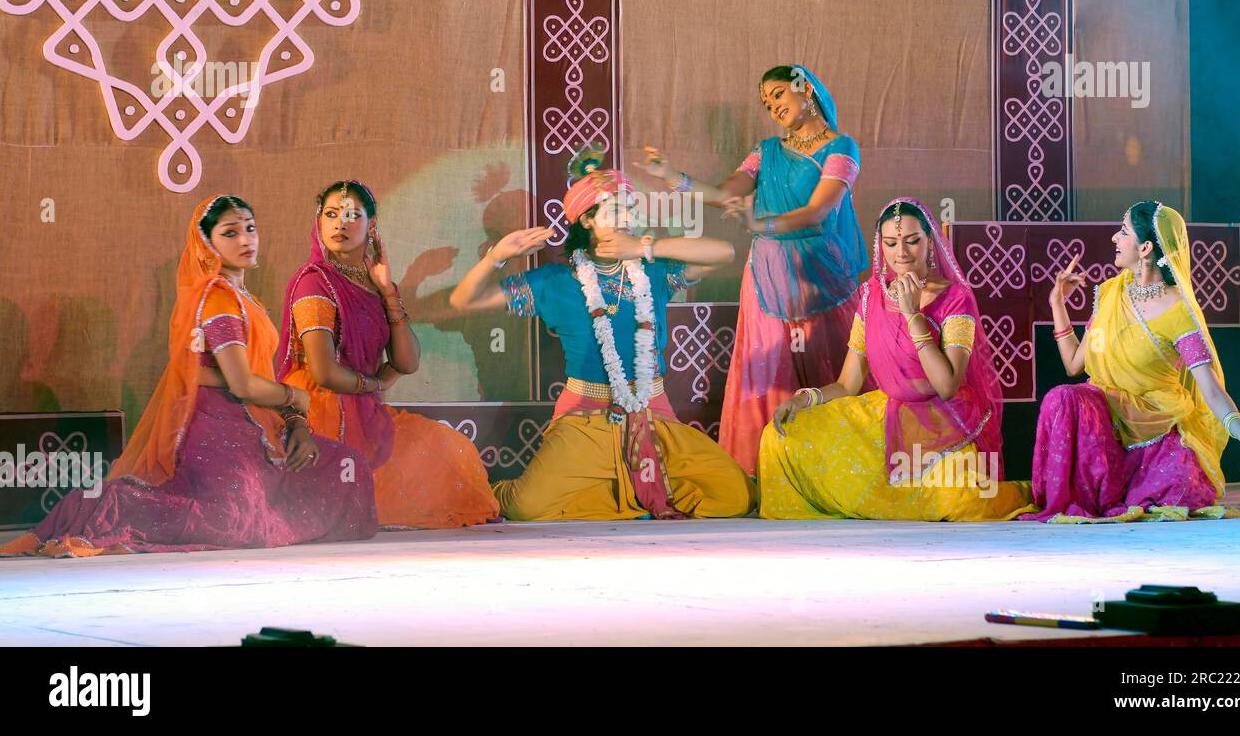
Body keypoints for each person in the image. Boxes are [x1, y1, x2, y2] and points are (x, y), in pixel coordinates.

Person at [0, 196, 378, 557]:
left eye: (250, 227)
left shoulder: (246, 298)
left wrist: (297, 423)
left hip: (258, 424)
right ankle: (109, 505)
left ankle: (273, 509)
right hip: (214, 429)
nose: (245, 239)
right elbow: (242, 383)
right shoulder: (216, 298)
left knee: (349, 469)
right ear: (206, 244)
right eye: (230, 232)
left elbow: (259, 384)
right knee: (235, 515)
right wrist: (296, 398)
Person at [449, 149, 755, 520]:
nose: (627, 218)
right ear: (589, 221)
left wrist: (647, 247)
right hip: (586, 420)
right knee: (526, 508)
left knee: (734, 495)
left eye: (629, 209)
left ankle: (624, 494)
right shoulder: (556, 282)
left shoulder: (652, 271)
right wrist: (496, 256)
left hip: (652, 415)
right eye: (615, 211)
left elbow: (723, 253)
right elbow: (464, 300)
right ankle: (620, 495)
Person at [640, 64, 868, 475]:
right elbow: (727, 192)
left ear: (806, 89)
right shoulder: (766, 151)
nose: (773, 107)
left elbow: (817, 212)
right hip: (765, 275)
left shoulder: (842, 147)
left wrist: (762, 224)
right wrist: (670, 176)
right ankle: (762, 473)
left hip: (821, 275)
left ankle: (842, 470)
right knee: (766, 368)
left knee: (833, 365)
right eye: (766, 102)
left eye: (779, 95)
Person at [759, 197, 1032, 520]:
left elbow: (946, 385)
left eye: (912, 241)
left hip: (943, 424)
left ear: (930, 243)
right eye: (891, 242)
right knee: (784, 436)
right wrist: (804, 399)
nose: (901, 253)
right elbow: (848, 384)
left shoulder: (954, 298)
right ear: (880, 247)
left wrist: (911, 313)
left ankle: (1030, 490)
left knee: (964, 505)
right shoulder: (871, 297)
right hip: (885, 416)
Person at [1021, 200, 1240, 523]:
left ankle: (1118, 487)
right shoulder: (1109, 294)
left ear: (1145, 247)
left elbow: (1209, 387)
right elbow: (1074, 364)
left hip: (1154, 425)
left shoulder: (1177, 312)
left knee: (1184, 486)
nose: (1115, 239)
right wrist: (1057, 304)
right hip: (1104, 424)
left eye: (1123, 232)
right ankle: (1093, 489)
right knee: (1063, 397)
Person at [277, 181, 499, 529]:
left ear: (371, 224)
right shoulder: (314, 282)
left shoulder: (373, 283)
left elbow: (407, 362)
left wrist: (386, 289)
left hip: (365, 407)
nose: (340, 224)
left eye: (352, 215)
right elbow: (323, 371)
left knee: (450, 451)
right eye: (331, 214)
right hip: (319, 409)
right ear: (318, 222)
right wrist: (374, 383)